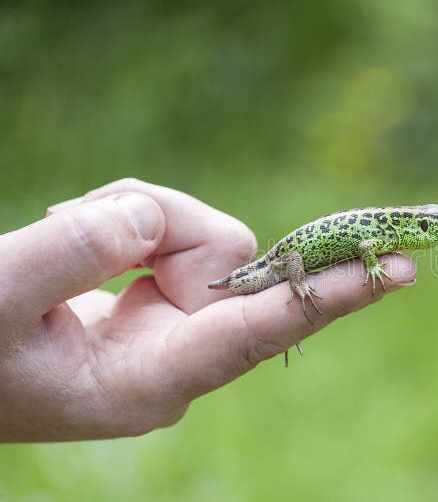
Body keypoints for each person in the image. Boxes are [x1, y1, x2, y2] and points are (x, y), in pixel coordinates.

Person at [0, 179, 416, 442]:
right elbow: (363, 248)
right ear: (422, 226)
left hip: (279, 265)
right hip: (277, 265)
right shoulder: (384, 229)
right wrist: (311, 279)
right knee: (286, 294)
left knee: (282, 302)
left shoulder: (389, 224)